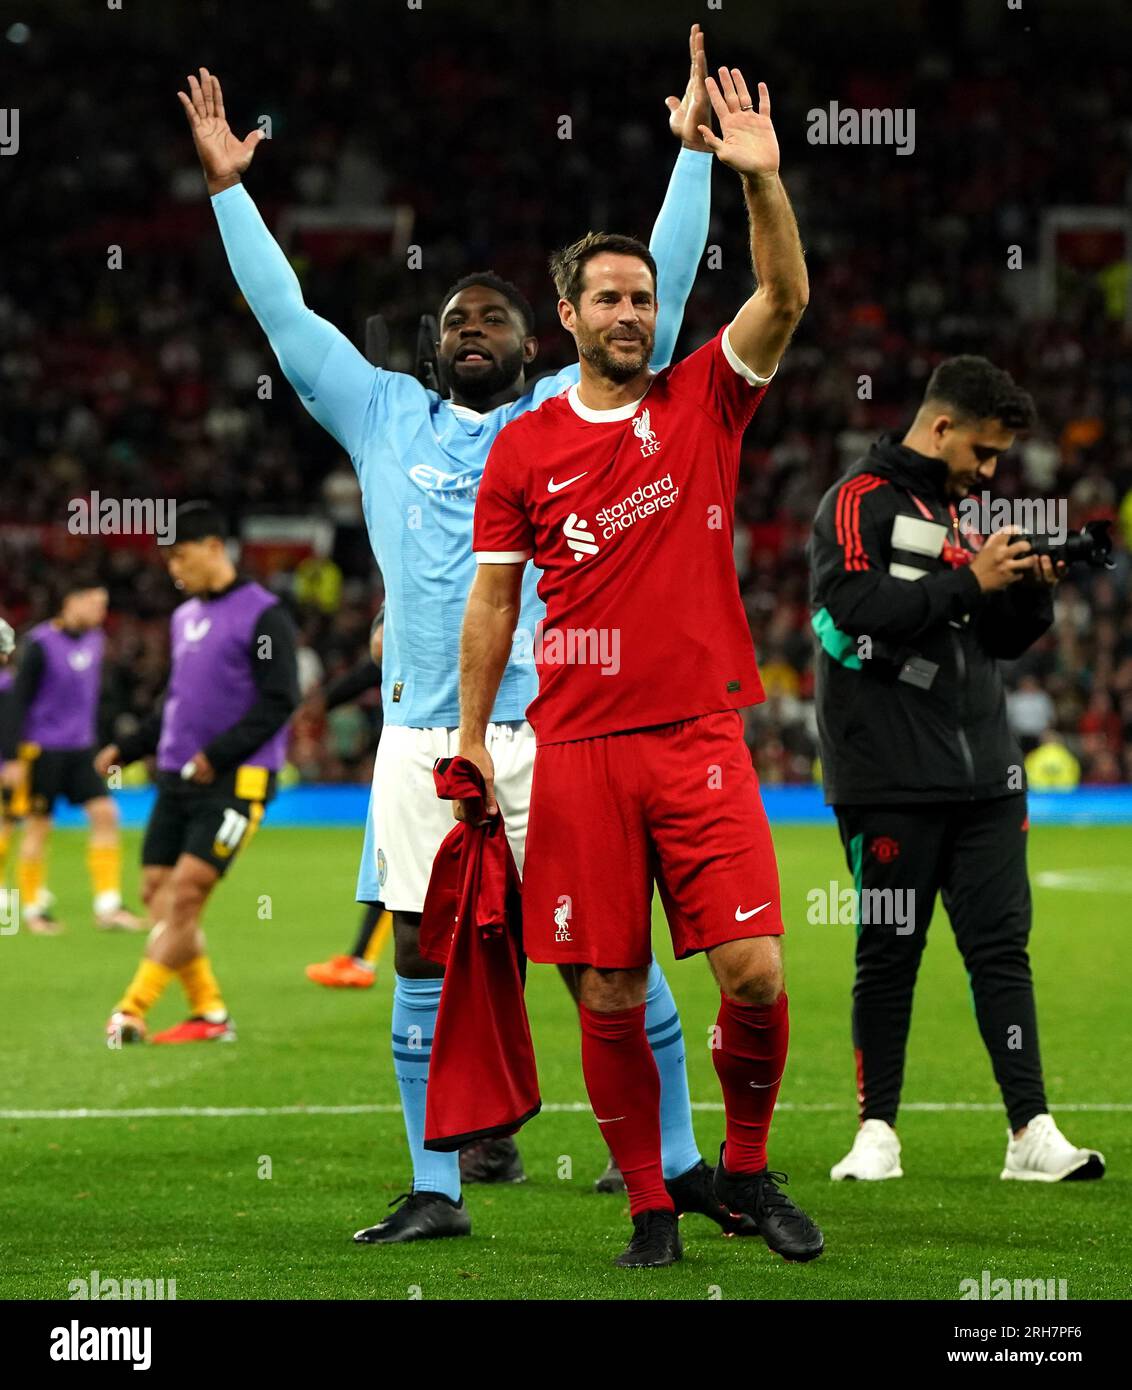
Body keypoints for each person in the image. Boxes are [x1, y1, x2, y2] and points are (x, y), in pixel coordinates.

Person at [181, 30, 740, 1243]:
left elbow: (662, 296)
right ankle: (435, 1188)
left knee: (607, 959)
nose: (471, 327)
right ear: (432, 345)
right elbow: (286, 319)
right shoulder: (381, 413)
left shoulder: (563, 414)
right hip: (418, 741)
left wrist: (694, 156)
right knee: (421, 960)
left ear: (539, 343)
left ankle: (673, 1157)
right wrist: (228, 192)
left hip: (557, 731)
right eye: (454, 319)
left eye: (494, 316)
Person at [458, 65, 824, 1268]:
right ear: (567, 316)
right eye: (608, 297)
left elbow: (784, 293)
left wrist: (757, 179)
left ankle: (747, 1169)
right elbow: (493, 602)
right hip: (576, 749)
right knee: (609, 990)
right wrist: (471, 737)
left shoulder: (703, 398)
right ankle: (650, 1206)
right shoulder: (523, 448)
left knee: (754, 971)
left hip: (697, 736)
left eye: (644, 297)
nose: (630, 312)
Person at [808, 355, 1105, 1183]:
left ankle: (1030, 1131)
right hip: (888, 778)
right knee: (888, 952)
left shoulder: (962, 513)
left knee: (1002, 950)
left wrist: (1029, 590)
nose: (990, 471)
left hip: (987, 775)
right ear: (941, 428)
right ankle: (876, 1131)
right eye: (983, 451)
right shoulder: (856, 502)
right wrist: (971, 580)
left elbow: (998, 641)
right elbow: (853, 613)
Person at [98, 502, 300, 1045]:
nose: (173, 569)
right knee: (157, 892)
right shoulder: (184, 617)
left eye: (180, 556)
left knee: (185, 895)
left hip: (237, 780)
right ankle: (210, 1013)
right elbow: (176, 702)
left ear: (214, 547)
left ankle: (131, 1010)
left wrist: (219, 753)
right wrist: (128, 748)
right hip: (176, 777)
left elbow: (281, 699)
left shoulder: (265, 615)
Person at [0, 581, 142, 934]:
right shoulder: (39, 643)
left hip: (80, 749)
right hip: (41, 749)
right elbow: (17, 700)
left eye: (103, 604)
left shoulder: (96, 641)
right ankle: (33, 909)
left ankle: (108, 906)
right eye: (95, 603)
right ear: (71, 601)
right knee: (37, 826)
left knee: (106, 814)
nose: (101, 612)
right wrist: (11, 757)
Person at [305, 611, 392, 989]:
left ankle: (362, 959)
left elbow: (379, 655)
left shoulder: (414, 596)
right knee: (395, 854)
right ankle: (360, 956)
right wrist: (326, 700)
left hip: (430, 742)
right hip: (427, 739)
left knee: (398, 855)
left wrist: (324, 700)